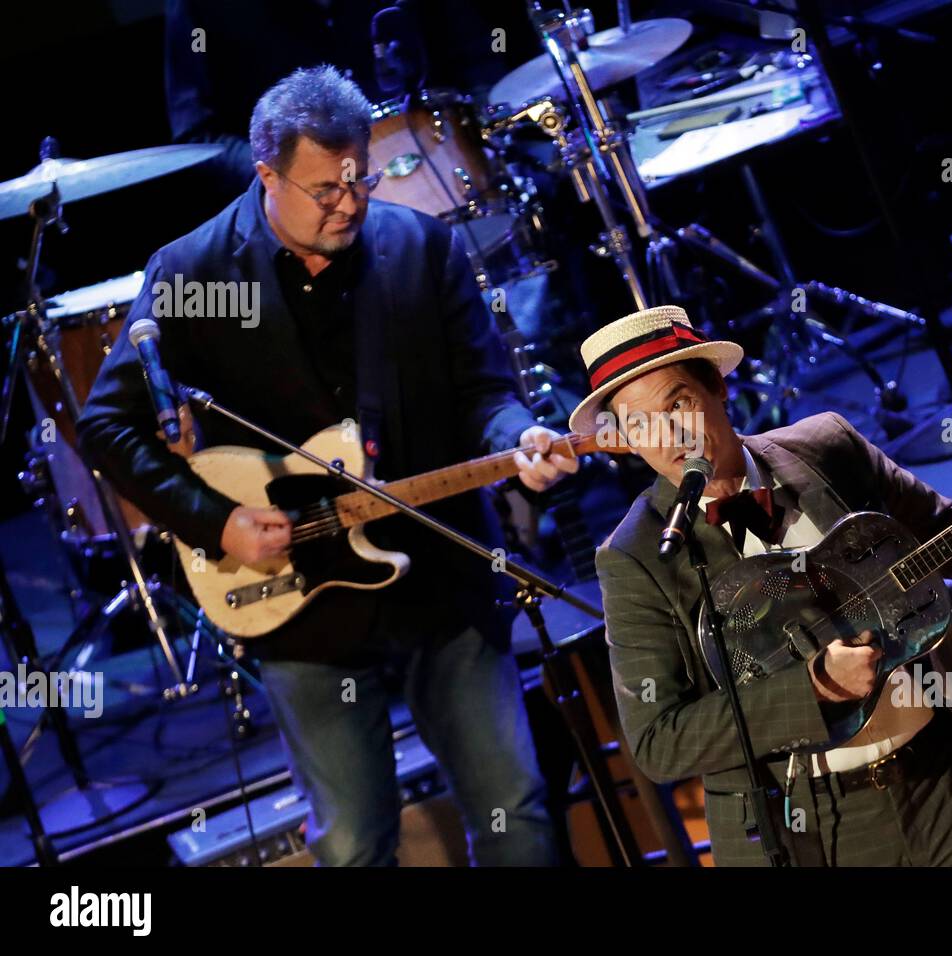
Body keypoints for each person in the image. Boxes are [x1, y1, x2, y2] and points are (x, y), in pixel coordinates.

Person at [78, 66, 578, 866]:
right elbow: (107, 425)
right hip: (300, 611)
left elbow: (487, 390)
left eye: (360, 180)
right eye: (323, 190)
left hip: (442, 578)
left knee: (516, 813)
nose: (349, 203)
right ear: (265, 174)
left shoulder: (419, 247)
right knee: (350, 845)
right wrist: (219, 523)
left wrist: (520, 437)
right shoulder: (194, 275)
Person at [573, 306, 952, 866]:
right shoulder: (637, 556)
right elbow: (659, 740)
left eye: (678, 404)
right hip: (810, 829)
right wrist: (815, 688)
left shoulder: (824, 448)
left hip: (939, 782)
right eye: (640, 426)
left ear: (717, 386)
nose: (670, 438)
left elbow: (949, 535)